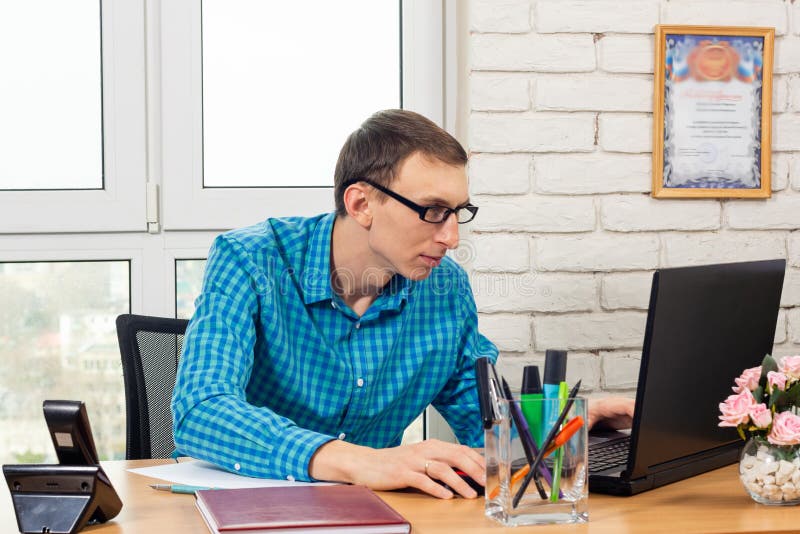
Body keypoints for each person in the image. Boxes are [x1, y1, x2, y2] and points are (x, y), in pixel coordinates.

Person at [171, 109, 634, 500]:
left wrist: (561, 422)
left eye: (458, 212)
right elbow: (201, 410)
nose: (452, 237)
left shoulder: (444, 287)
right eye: (432, 210)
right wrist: (358, 462)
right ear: (361, 204)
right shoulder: (251, 259)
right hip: (247, 505)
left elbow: (484, 424)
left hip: (381, 514)